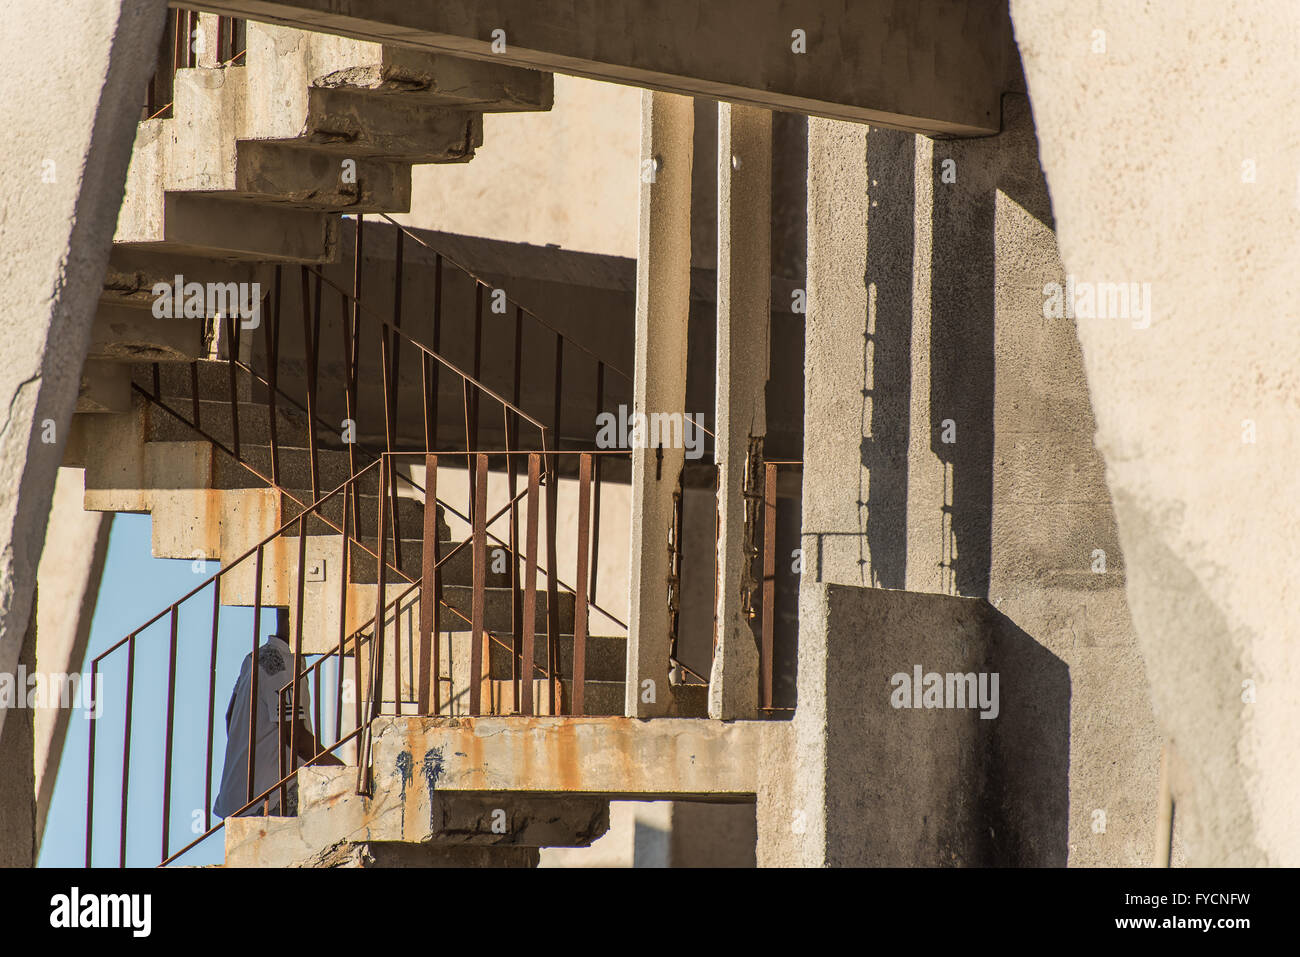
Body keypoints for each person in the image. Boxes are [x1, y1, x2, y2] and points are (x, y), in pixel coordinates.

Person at [213, 611, 342, 819]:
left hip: (237, 800)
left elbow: (230, 717)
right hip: (266, 801)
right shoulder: (283, 665)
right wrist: (345, 771)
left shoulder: (254, 657)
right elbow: (296, 737)